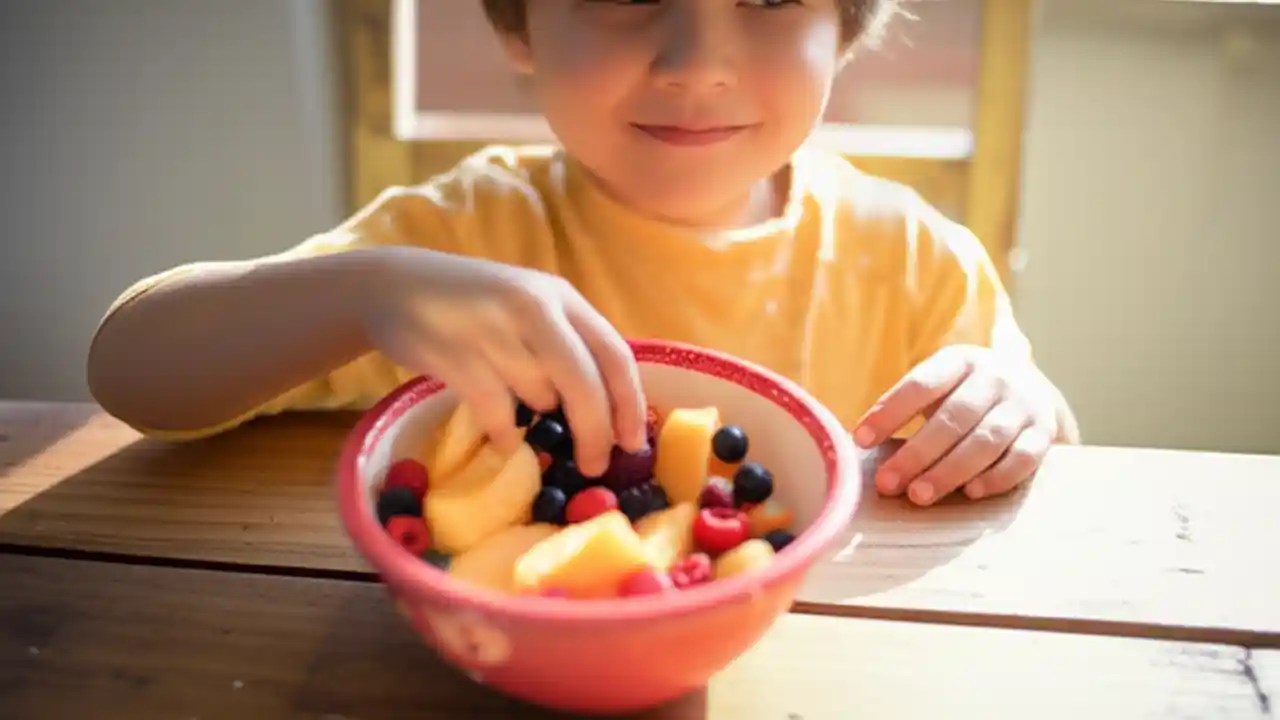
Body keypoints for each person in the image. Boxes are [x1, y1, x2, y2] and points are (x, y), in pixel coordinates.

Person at [87, 0, 1079, 508]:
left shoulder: (910, 256)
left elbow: (1054, 461)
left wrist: (1017, 407)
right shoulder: (461, 239)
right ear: (519, 23)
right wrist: (367, 289)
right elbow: (133, 369)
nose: (696, 64)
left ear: (844, 27)